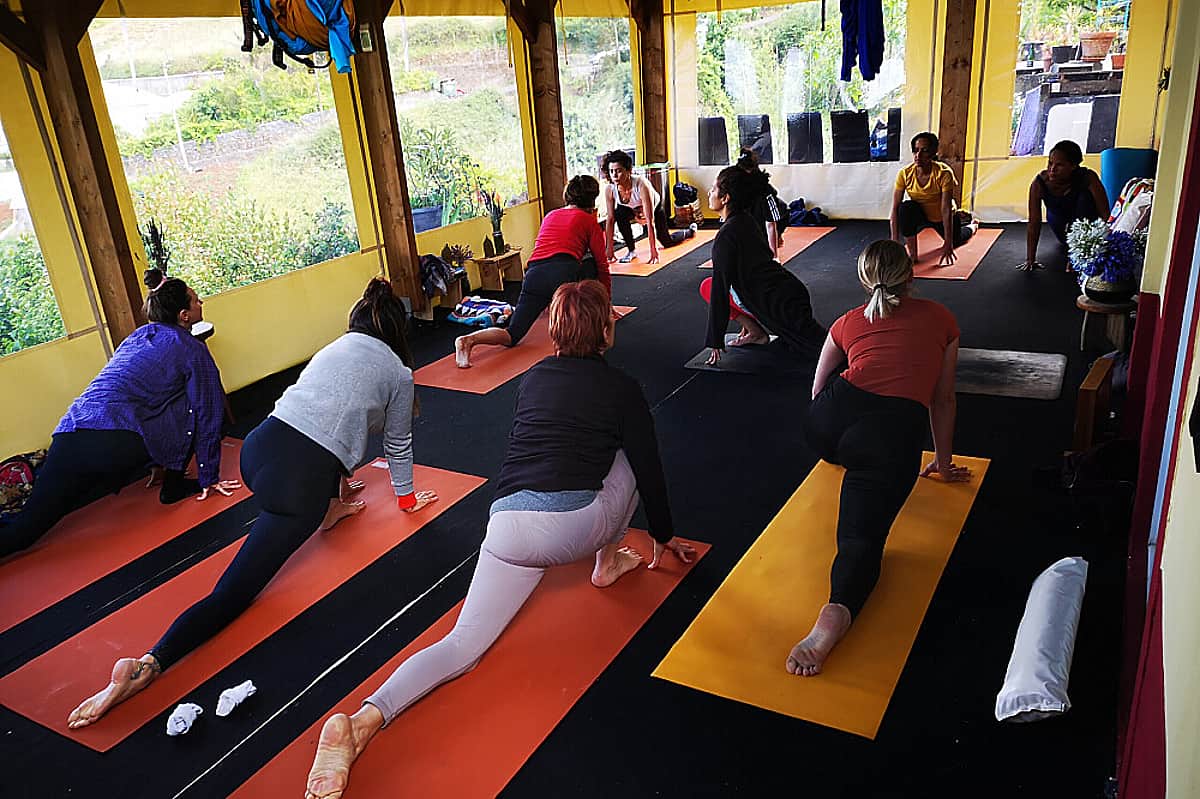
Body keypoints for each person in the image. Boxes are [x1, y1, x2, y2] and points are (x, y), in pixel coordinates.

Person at [303, 280, 696, 799]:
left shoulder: (533, 379)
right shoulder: (622, 387)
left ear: (553, 329)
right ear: (606, 330)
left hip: (505, 524)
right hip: (573, 528)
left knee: (461, 645)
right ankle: (610, 560)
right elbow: (649, 468)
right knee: (629, 455)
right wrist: (663, 537)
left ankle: (362, 720)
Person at [66, 278, 438, 729]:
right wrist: (407, 498)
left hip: (256, 451)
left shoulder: (334, 348)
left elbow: (326, 414)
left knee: (329, 434)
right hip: (296, 484)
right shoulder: (399, 373)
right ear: (398, 332)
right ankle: (148, 664)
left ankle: (329, 508)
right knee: (233, 593)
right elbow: (397, 443)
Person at [786, 240, 971, 677]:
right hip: (886, 442)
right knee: (859, 540)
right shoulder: (943, 320)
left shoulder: (847, 322)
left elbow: (818, 389)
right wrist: (942, 465)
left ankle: (836, 612)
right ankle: (837, 611)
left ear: (863, 279)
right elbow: (942, 400)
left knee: (853, 455)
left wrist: (833, 433)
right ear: (910, 276)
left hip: (825, 427)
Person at [0, 268, 240, 559]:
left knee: (25, 528)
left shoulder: (139, 336)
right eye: (195, 299)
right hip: (113, 444)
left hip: (70, 432)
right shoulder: (192, 350)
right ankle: (173, 485)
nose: (200, 301)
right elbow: (207, 413)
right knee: (193, 404)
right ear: (184, 315)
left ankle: (167, 477)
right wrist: (208, 476)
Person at [455, 175, 615, 368]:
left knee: (512, 333)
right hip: (563, 272)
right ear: (592, 199)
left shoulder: (551, 215)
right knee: (589, 269)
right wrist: (606, 305)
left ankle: (468, 340)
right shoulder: (588, 221)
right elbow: (602, 265)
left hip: (533, 274)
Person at [701, 165, 825, 364]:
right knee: (706, 285)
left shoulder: (726, 236)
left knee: (821, 351)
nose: (709, 192)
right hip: (786, 290)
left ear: (725, 198)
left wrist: (715, 341)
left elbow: (720, 290)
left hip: (779, 301)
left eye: (714, 189)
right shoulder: (746, 220)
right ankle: (755, 333)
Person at [1018, 139, 1109, 271]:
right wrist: (1030, 259)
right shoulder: (1039, 184)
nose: (1052, 169)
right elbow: (1034, 222)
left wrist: (1099, 249)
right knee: (1065, 241)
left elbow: (1105, 214)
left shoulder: (1088, 177)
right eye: (1050, 163)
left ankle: (1079, 251)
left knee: (1084, 199)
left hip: (1086, 222)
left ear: (1073, 166)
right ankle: (1073, 246)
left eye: (1059, 165)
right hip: (1058, 220)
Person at [889, 132, 977, 266]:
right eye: (916, 151)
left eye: (924, 151)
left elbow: (945, 209)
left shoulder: (944, 173)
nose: (918, 155)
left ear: (933, 152)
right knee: (905, 209)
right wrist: (894, 243)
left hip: (941, 217)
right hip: (922, 216)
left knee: (957, 241)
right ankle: (913, 256)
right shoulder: (905, 174)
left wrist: (948, 243)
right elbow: (895, 209)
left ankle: (973, 225)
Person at [602, 150, 696, 265]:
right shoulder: (610, 189)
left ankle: (689, 231)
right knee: (619, 214)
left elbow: (650, 221)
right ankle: (631, 250)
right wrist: (609, 249)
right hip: (630, 208)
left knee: (666, 242)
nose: (614, 175)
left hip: (654, 207)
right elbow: (610, 219)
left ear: (628, 171)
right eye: (611, 171)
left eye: (618, 171)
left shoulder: (641, 184)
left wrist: (653, 251)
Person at [736, 148, 787, 260]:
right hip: (746, 225)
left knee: (783, 210)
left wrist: (774, 258)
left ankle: (777, 237)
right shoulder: (735, 187)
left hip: (764, 221)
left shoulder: (765, 191)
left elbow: (771, 224)